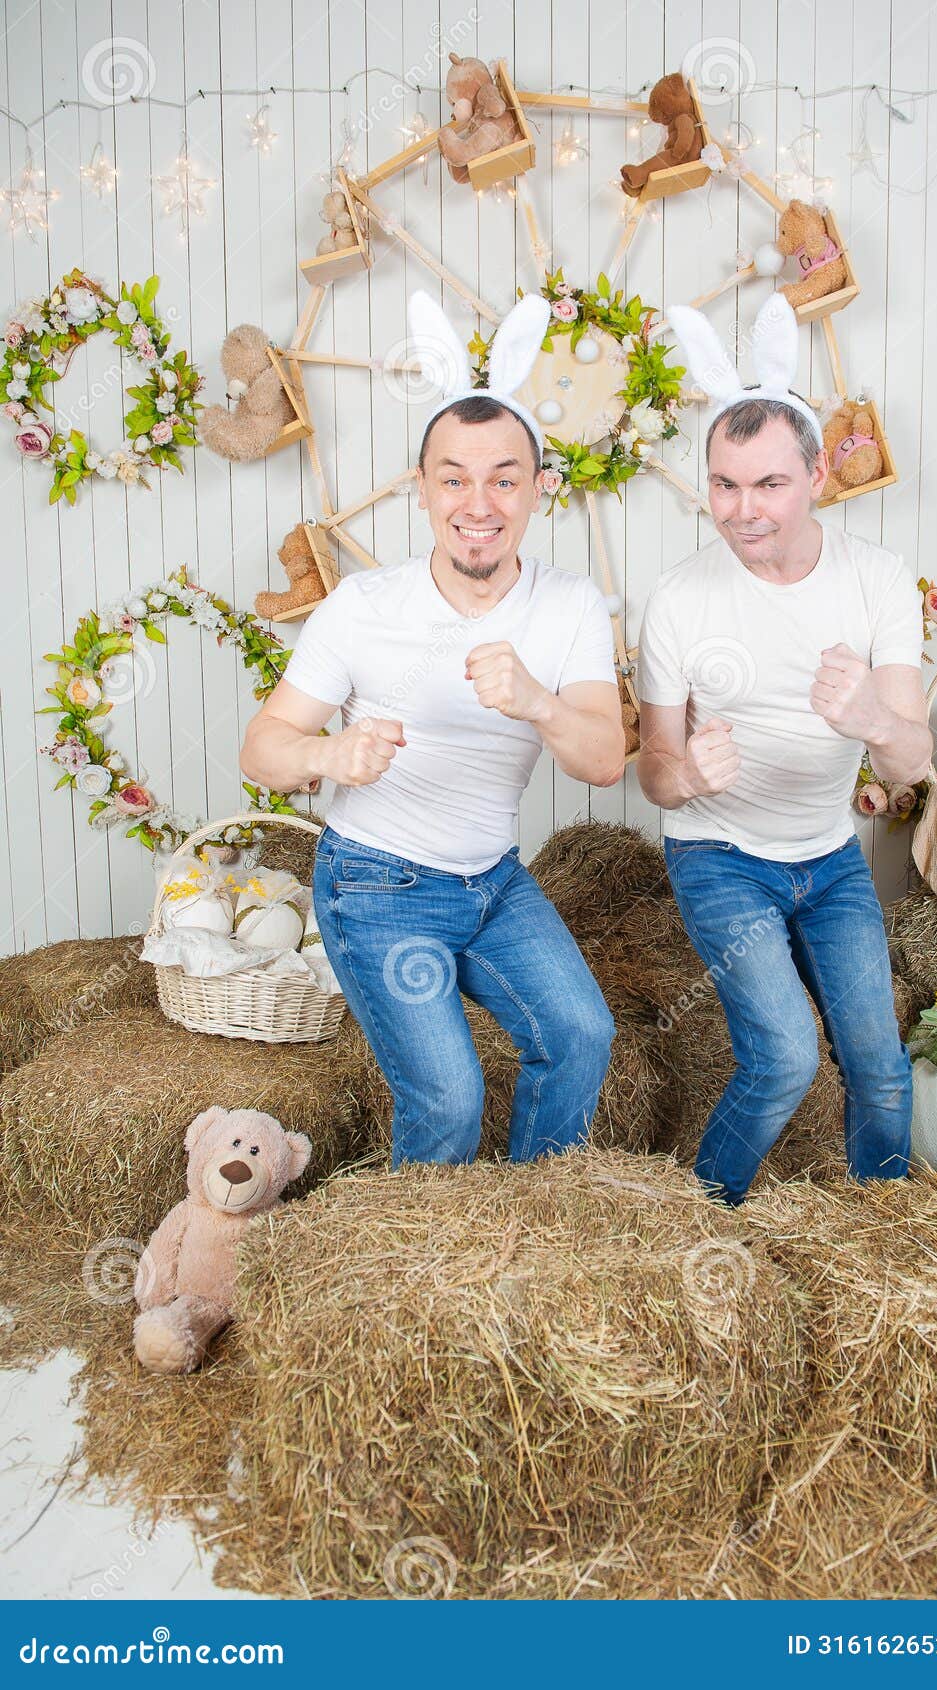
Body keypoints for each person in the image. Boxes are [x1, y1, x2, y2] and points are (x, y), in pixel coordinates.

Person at [240, 291, 624, 1170]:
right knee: (449, 1101)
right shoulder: (364, 606)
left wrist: (538, 701)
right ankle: (426, 1278)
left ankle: (526, 1224)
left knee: (580, 1035)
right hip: (375, 885)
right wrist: (327, 754)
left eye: (502, 477)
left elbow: (604, 759)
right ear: (422, 490)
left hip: (492, 883)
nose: (477, 501)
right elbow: (261, 749)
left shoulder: (568, 605)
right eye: (453, 476)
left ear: (537, 488)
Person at [635, 293, 931, 1203]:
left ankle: (874, 1239)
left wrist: (874, 721)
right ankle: (695, 1222)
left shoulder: (876, 580)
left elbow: (909, 763)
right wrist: (687, 771)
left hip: (829, 859)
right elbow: (654, 774)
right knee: (786, 1060)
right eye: (725, 485)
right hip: (720, 859)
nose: (743, 509)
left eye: (768, 484)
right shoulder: (679, 598)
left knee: (879, 1066)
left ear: (813, 476)